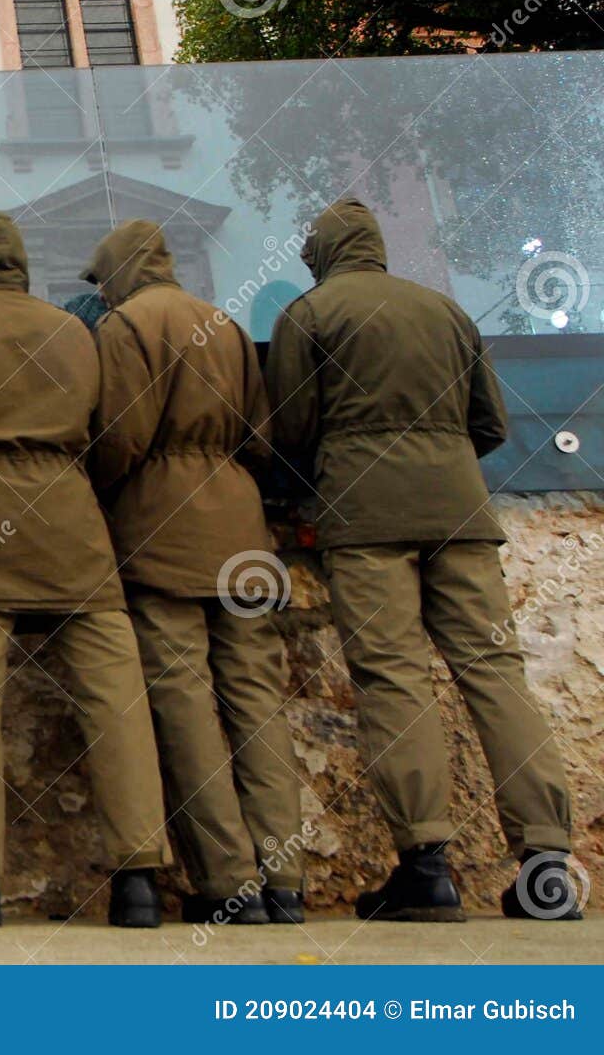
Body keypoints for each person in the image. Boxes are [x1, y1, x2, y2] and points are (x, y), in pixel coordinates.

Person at [266, 198, 579, 922]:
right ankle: (547, 867)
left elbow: (292, 428)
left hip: (366, 513)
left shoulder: (310, 316)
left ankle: (427, 870)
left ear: (322, 253)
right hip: (461, 513)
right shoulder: (444, 310)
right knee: (495, 672)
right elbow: (489, 422)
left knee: (393, 676)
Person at [0, 211, 170, 929]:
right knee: (114, 693)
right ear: (23, 265)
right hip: (70, 516)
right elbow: (111, 434)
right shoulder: (74, 332)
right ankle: (140, 881)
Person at [85, 219, 304, 926]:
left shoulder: (126, 327)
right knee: (255, 697)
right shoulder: (226, 324)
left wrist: (108, 492)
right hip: (239, 527)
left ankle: (227, 882)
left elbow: (121, 437)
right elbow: (259, 436)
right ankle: (285, 880)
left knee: (182, 702)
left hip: (161, 527)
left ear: (118, 270)